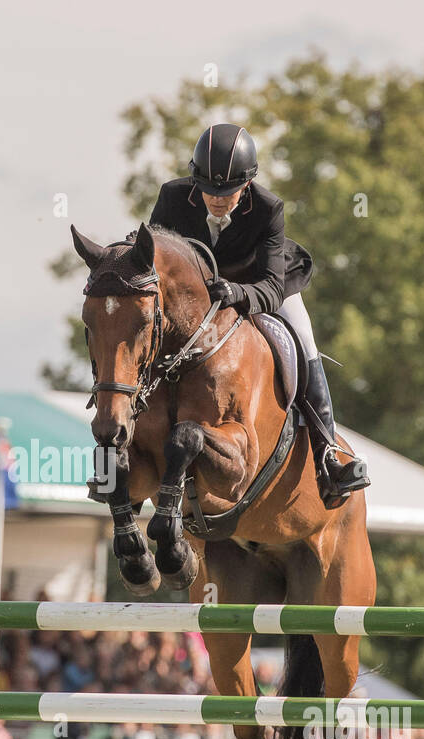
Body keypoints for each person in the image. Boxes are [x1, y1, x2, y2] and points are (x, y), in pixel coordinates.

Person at [149, 123, 369, 508]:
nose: (216, 199)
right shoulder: (173, 197)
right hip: (197, 294)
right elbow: (154, 260)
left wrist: (236, 293)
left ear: (247, 184)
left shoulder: (268, 209)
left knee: (302, 339)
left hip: (258, 284)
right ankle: (117, 449)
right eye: (209, 189)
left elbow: (270, 285)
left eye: (227, 191)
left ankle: (327, 454)